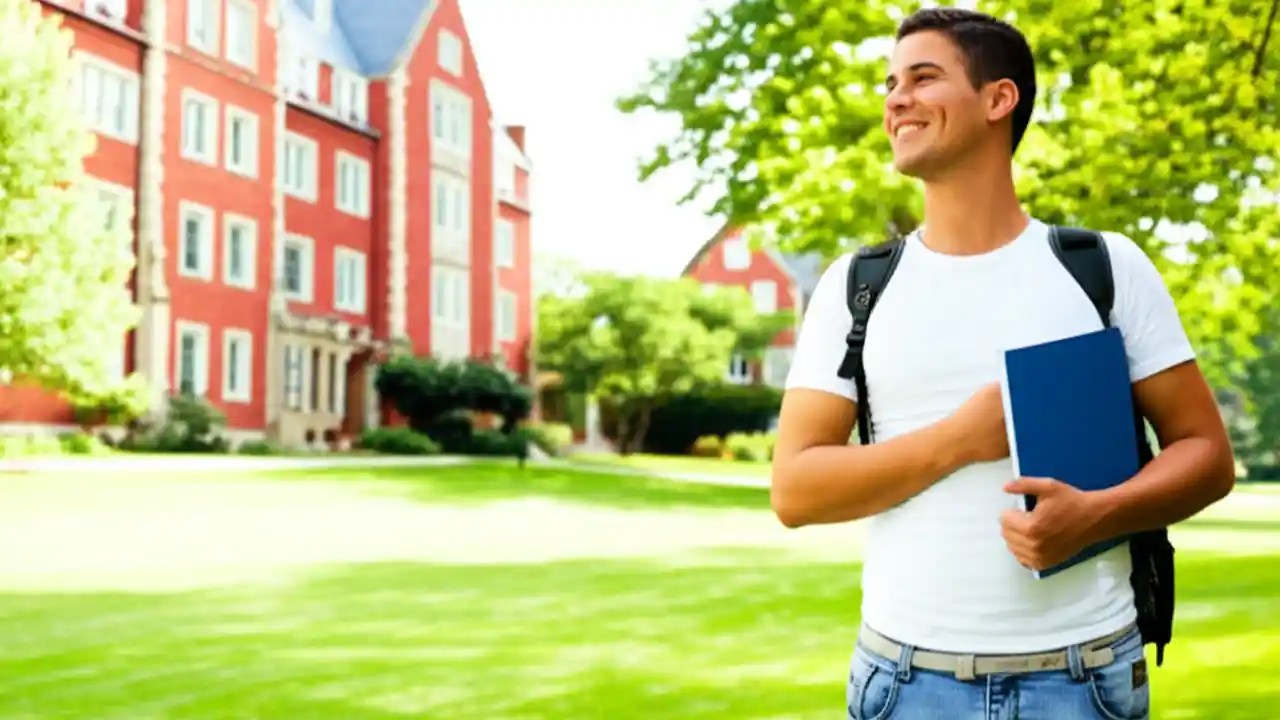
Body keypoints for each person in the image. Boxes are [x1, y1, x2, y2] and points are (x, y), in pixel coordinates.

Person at [770, 8, 1236, 719]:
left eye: (924, 78)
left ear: (999, 99)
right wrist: (961, 439)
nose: (896, 98)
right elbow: (796, 490)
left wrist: (1097, 515)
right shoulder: (856, 286)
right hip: (904, 681)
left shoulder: (1100, 268)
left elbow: (1206, 456)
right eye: (891, 82)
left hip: (1085, 680)